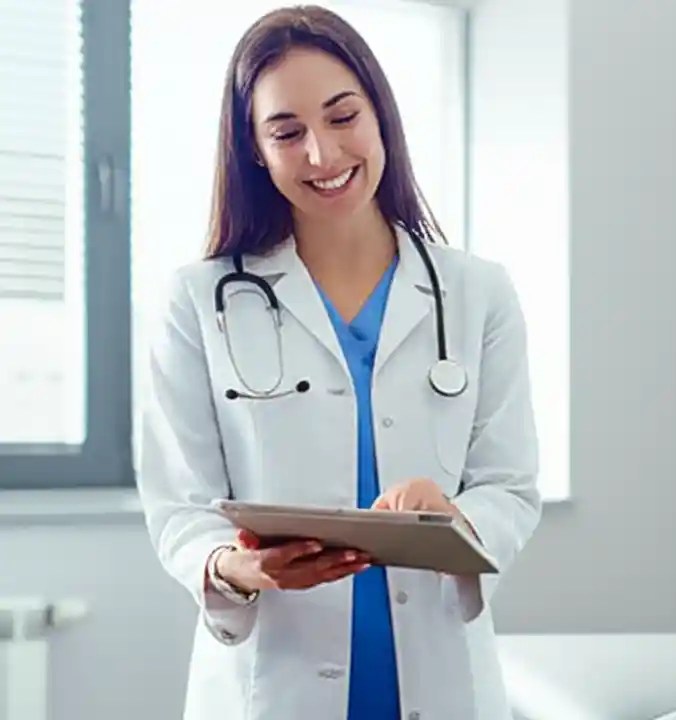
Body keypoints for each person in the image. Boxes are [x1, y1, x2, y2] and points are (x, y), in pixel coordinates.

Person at [135, 6, 540, 719]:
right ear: (254, 149)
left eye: (342, 116)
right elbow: (180, 508)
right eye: (287, 132)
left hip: (438, 675)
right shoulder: (199, 302)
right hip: (274, 680)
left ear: (381, 115)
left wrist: (454, 518)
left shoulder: (478, 293)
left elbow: (509, 486)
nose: (322, 154)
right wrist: (236, 566)